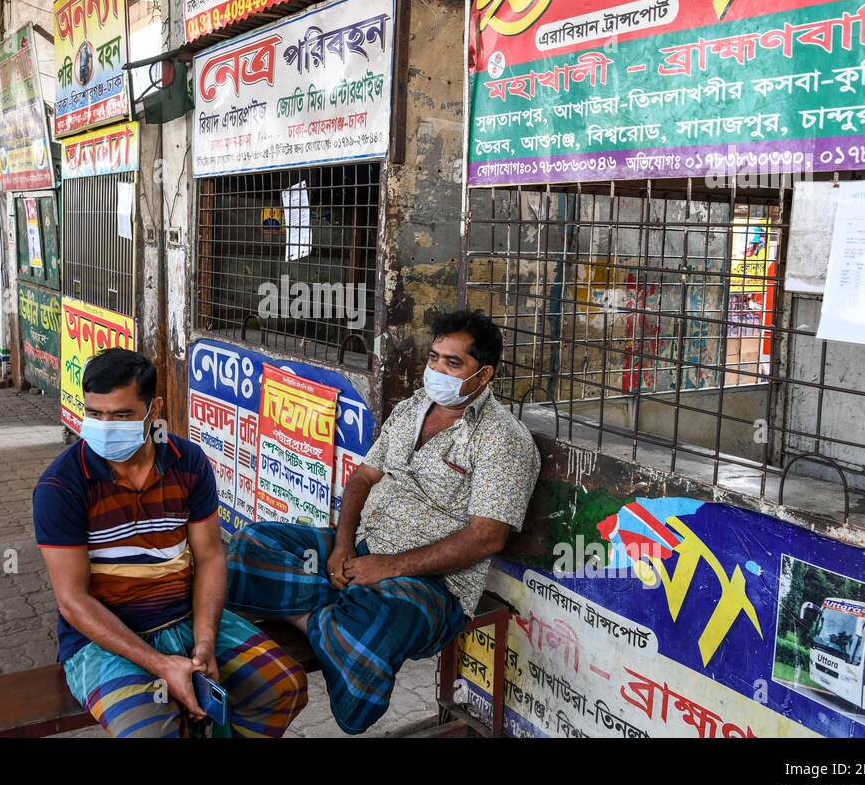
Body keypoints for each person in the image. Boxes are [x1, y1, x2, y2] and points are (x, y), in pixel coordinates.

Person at [226, 309, 541, 735]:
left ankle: (317, 607)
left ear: (483, 375)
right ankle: (329, 614)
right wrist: (342, 545)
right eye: (434, 358)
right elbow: (362, 477)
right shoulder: (413, 408)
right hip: (362, 548)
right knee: (249, 546)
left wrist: (387, 568)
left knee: (373, 628)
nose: (437, 370)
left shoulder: (503, 439)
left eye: (452, 363)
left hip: (430, 585)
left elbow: (486, 539)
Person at [33, 349, 308, 738]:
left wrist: (204, 642)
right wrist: (162, 664)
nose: (105, 426)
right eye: (95, 414)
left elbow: (211, 556)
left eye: (122, 414)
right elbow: (73, 601)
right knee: (154, 732)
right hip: (101, 641)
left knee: (283, 687)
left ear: (154, 408)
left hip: (183, 619)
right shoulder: (60, 485)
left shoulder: (187, 462)